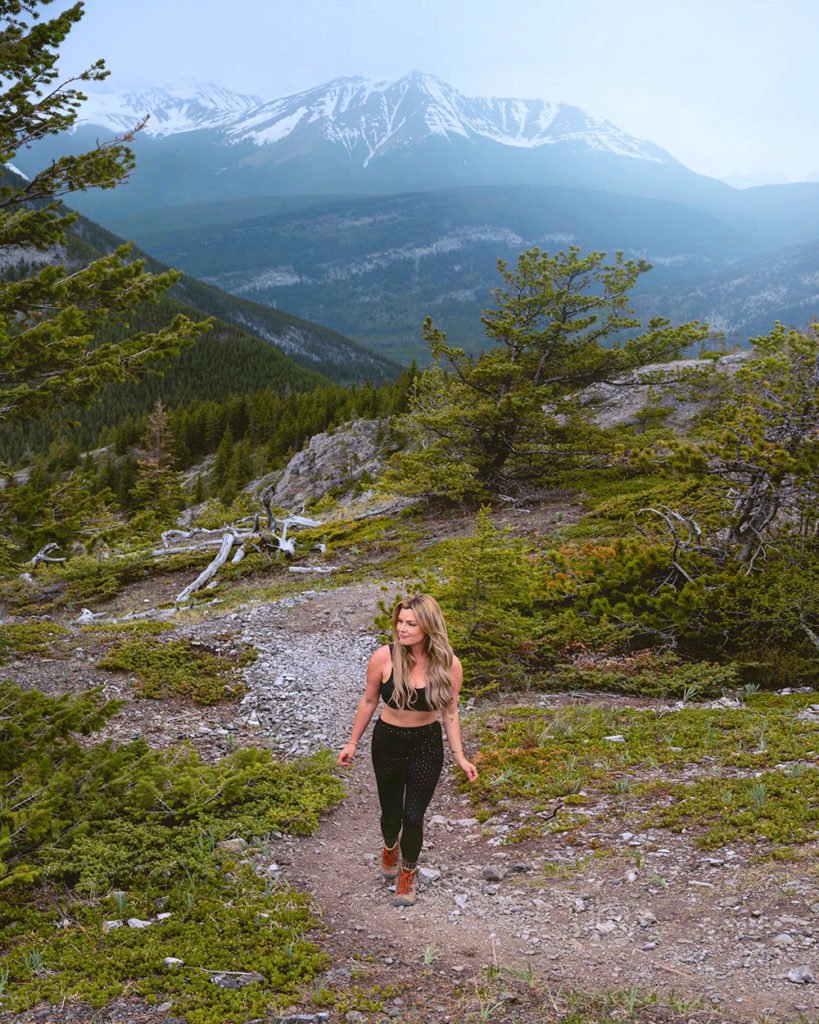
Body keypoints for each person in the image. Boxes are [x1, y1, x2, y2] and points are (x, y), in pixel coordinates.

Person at [337, 594, 478, 906]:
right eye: (400, 622)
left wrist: (459, 756)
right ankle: (390, 845)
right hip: (387, 742)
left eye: (411, 624)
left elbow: (450, 712)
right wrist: (352, 743)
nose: (402, 629)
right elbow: (369, 700)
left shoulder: (449, 665)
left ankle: (408, 873)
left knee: (413, 815)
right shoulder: (384, 657)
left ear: (428, 626)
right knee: (391, 816)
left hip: (426, 744)